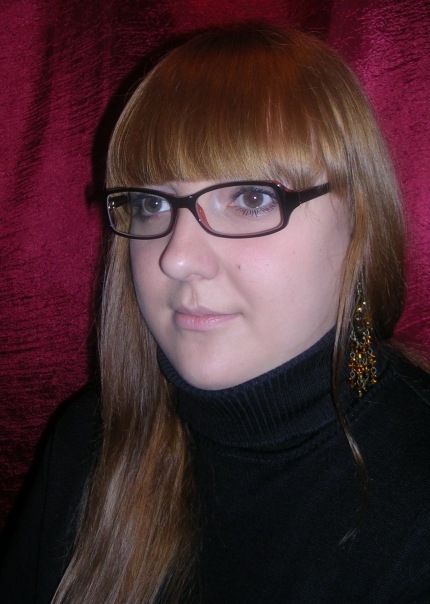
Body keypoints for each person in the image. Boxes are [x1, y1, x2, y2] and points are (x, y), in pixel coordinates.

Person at [1, 23, 430, 604]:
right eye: (151, 202)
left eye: (251, 198)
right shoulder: (89, 444)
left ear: (360, 221)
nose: (176, 258)